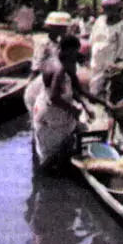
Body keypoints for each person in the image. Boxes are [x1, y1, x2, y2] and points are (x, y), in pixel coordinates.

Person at [32, 35, 94, 170]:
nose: (75, 55)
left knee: (47, 148)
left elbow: (75, 89)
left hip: (44, 107)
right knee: (50, 157)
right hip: (52, 110)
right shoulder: (59, 68)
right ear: (68, 51)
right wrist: (73, 109)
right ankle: (50, 175)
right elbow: (54, 97)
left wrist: (86, 105)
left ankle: (51, 168)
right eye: (74, 52)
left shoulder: (53, 60)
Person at [24, 12, 71, 119]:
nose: (64, 30)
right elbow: (37, 64)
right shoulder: (44, 43)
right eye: (62, 28)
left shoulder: (60, 43)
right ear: (53, 28)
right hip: (44, 78)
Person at [89, 0, 123, 101]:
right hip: (96, 62)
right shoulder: (100, 20)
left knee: (105, 91)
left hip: (110, 65)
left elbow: (122, 47)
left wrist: (116, 63)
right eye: (107, 9)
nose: (109, 12)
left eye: (112, 9)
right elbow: (93, 38)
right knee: (94, 90)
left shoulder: (121, 25)